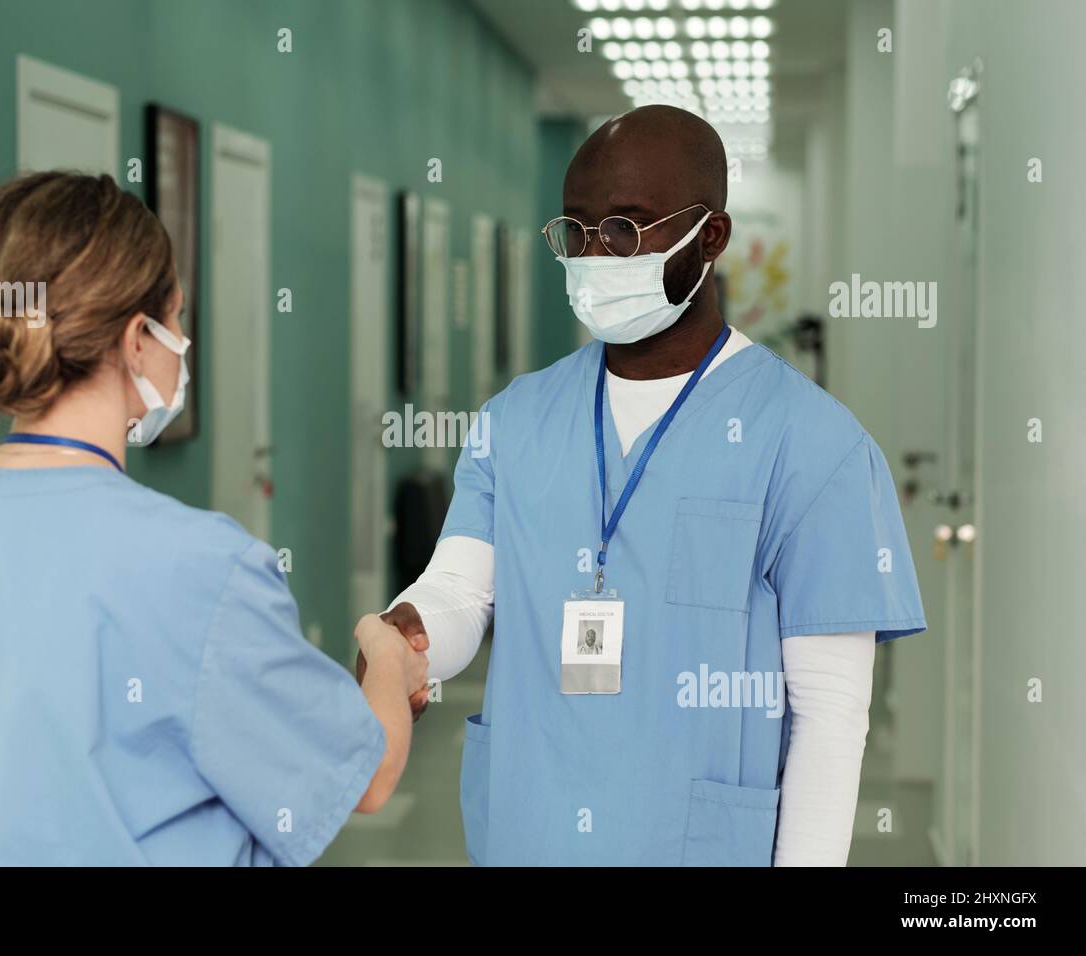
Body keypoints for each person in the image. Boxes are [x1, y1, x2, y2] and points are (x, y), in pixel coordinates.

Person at [366, 106, 927, 866]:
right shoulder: (517, 418)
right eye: (577, 230)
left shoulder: (812, 444)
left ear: (712, 237)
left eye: (627, 229)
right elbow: (462, 591)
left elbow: (829, 715)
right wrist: (408, 639)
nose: (597, 254)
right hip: (532, 831)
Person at [0, 171, 427, 866]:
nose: (180, 338)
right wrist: (384, 654)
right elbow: (368, 775)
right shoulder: (203, 566)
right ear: (138, 337)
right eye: (176, 317)